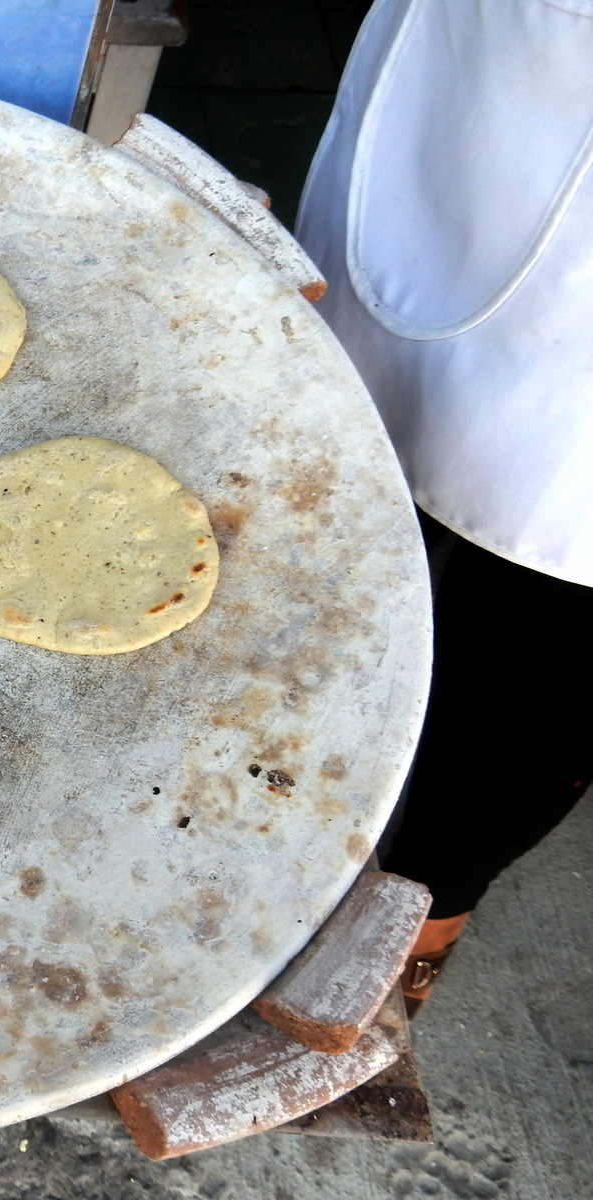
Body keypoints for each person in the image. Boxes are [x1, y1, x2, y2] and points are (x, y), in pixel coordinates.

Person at [295, 0, 593, 1011]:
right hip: (485, 62)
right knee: (331, 459)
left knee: (561, 601)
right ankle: (265, 825)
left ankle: (417, 921)